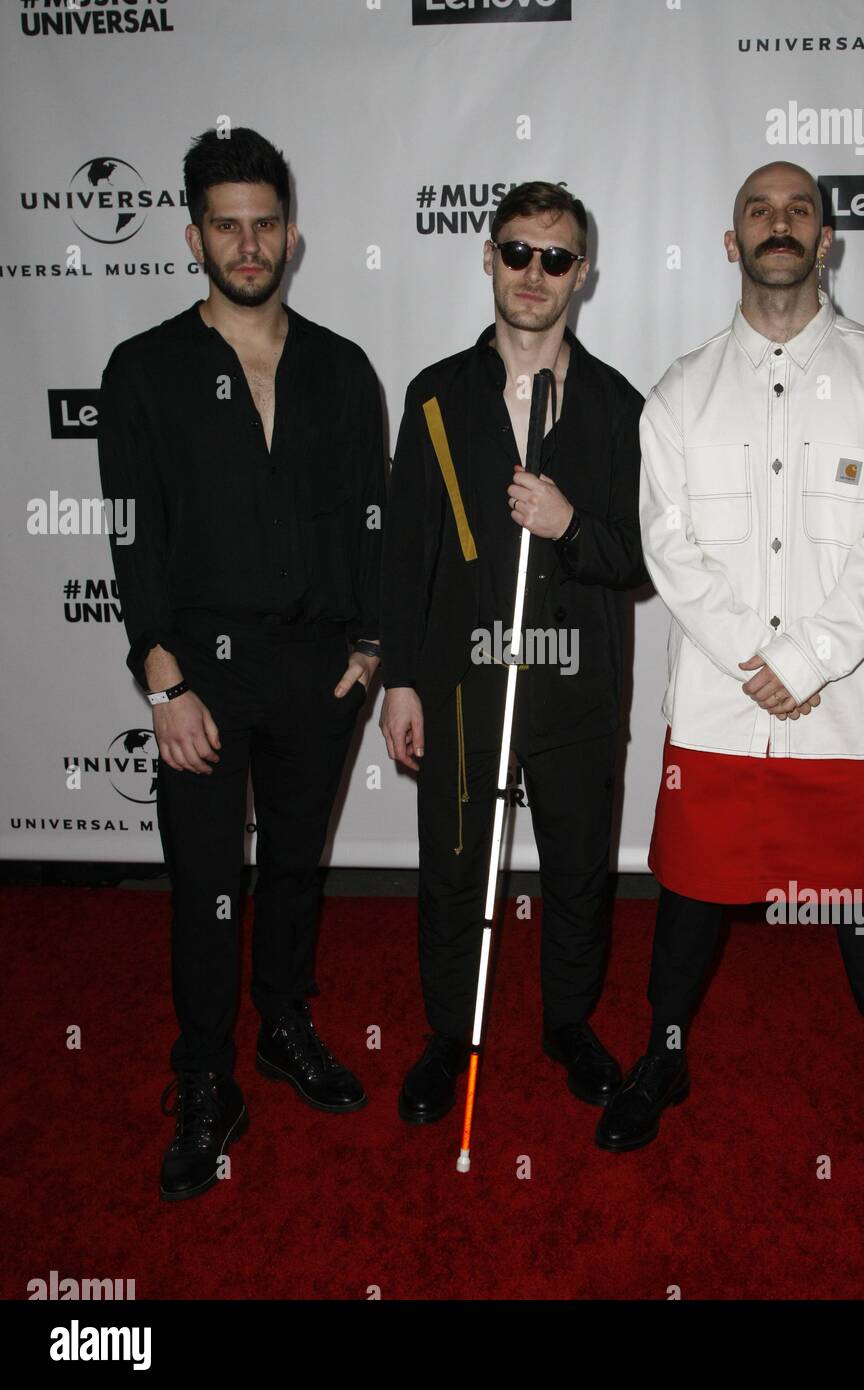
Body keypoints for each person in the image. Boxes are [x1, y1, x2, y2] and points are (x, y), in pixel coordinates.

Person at [601, 161, 864, 1176]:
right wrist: (760, 663)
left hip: (843, 704)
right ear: (730, 242)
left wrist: (806, 659)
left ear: (827, 238)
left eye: (799, 210)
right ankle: (664, 1060)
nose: (779, 225)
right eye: (758, 210)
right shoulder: (676, 393)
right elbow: (668, 548)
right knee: (689, 894)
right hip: (721, 706)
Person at [97, 127, 386, 1201]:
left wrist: (368, 647)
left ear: (293, 235)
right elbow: (133, 535)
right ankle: (207, 1074)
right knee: (206, 884)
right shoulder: (143, 370)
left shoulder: (342, 368)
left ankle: (286, 1028)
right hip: (201, 678)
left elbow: (370, 521)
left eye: (265, 223)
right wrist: (163, 680)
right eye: (228, 224)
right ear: (193, 236)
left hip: (318, 668)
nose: (249, 242)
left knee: (298, 867)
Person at [380, 181, 647, 1125]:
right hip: (459, 681)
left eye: (557, 258)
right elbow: (405, 548)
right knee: (454, 864)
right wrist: (400, 676)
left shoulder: (618, 406)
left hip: (576, 677)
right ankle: (450, 1033)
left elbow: (645, 558)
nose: (535, 273)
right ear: (488, 258)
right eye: (518, 253)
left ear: (584, 275)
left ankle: (566, 1023)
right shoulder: (434, 396)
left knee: (578, 864)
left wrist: (570, 522)